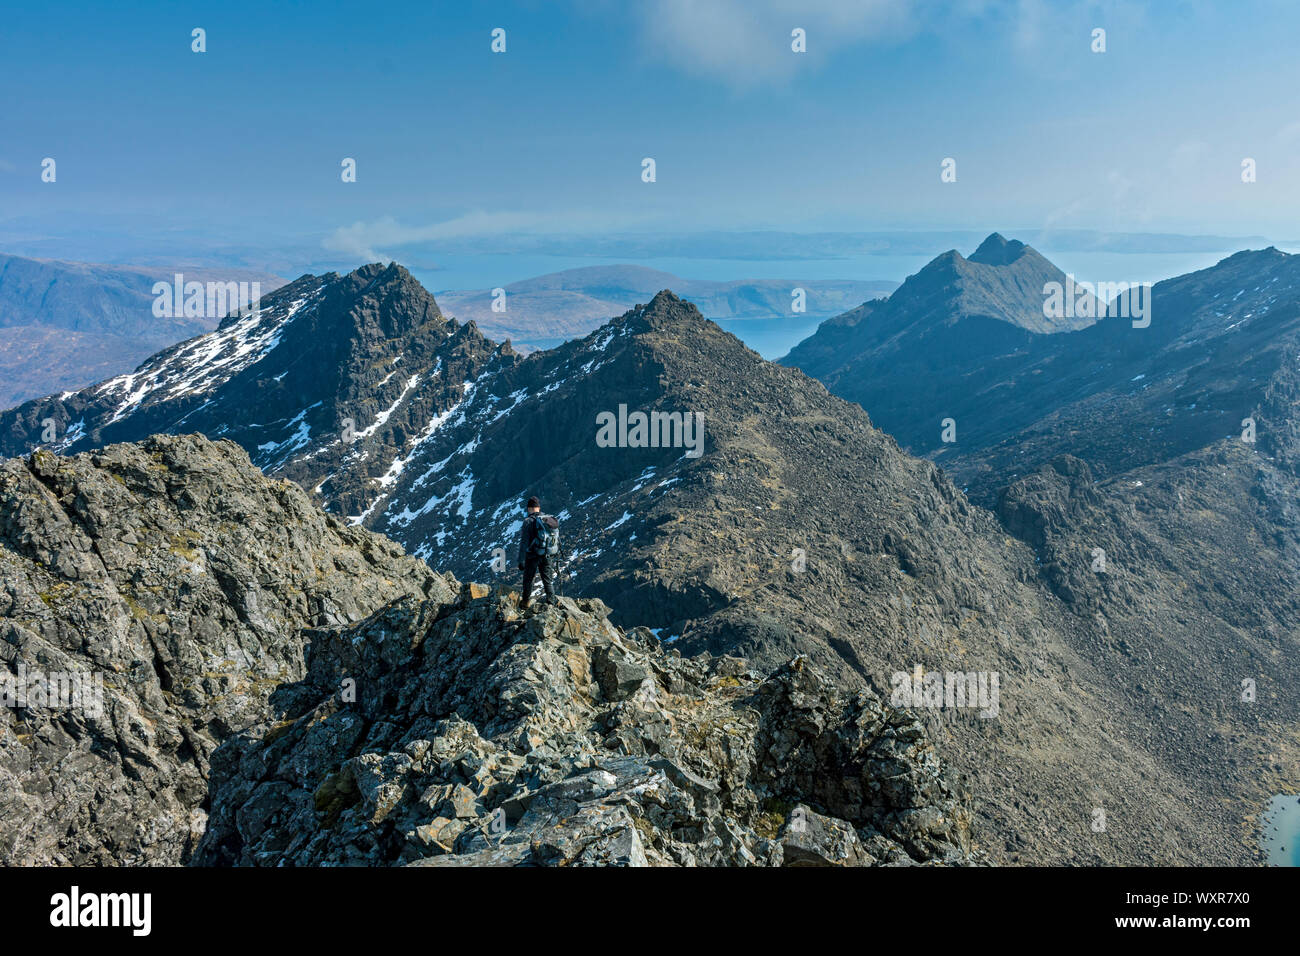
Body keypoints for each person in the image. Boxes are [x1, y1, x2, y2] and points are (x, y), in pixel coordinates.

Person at [517, 495, 557, 609]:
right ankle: (551, 603)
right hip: (548, 554)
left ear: (529, 508)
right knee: (547, 580)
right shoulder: (548, 519)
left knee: (528, 579)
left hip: (533, 555)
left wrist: (521, 560)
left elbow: (524, 543)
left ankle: (525, 603)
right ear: (538, 507)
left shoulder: (528, 521)